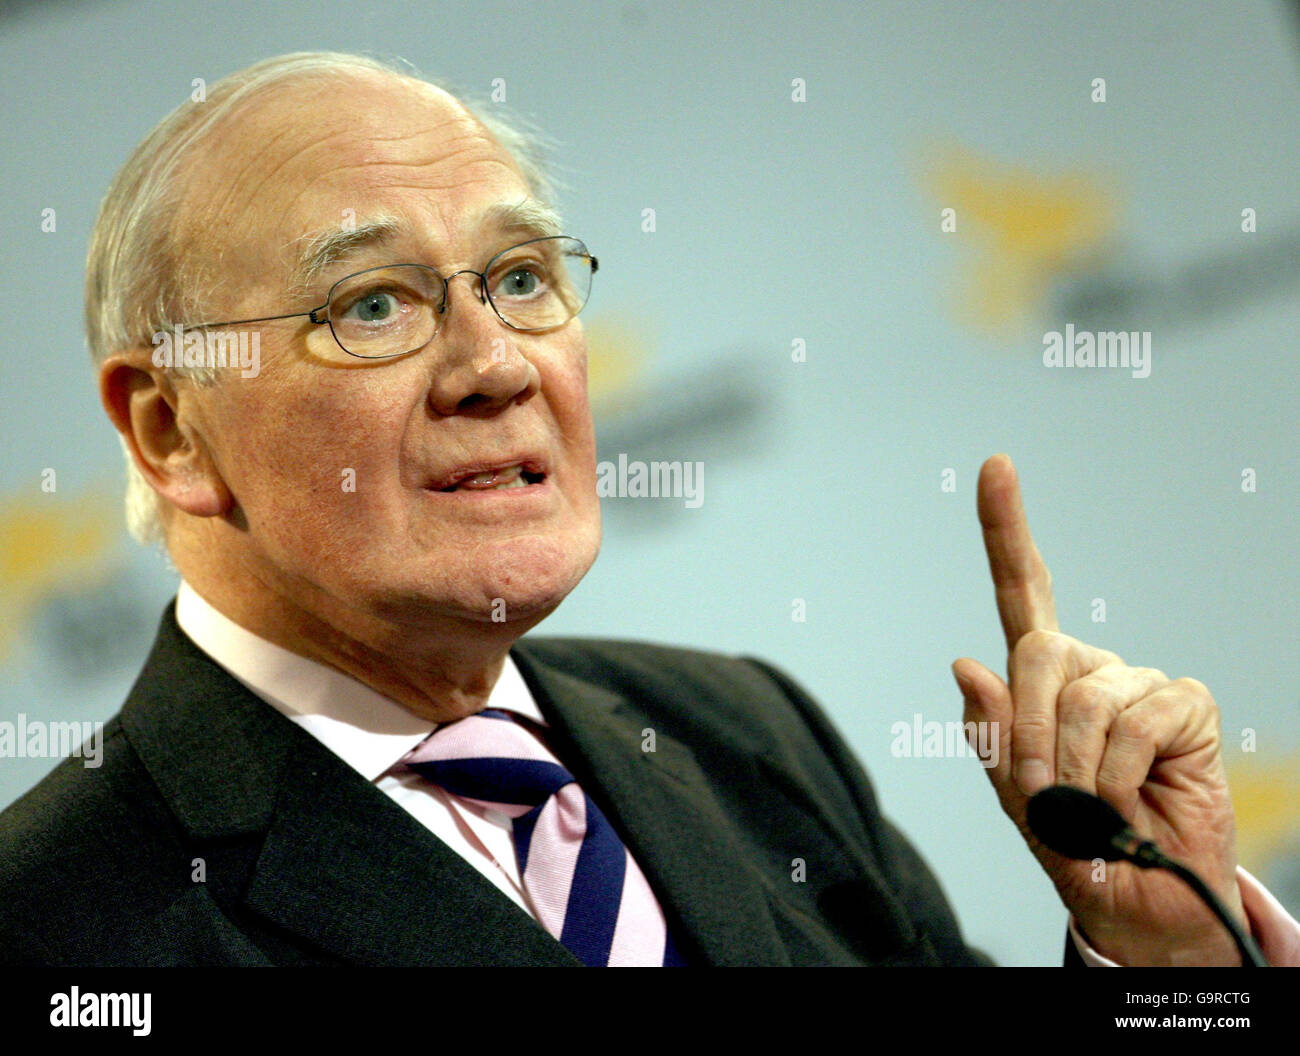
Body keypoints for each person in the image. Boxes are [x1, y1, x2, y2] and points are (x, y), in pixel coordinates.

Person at [0, 51, 1295, 967]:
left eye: (520, 277)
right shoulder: (58, 919)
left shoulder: (740, 730)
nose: (496, 364)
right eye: (375, 304)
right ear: (171, 427)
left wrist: (1165, 963)